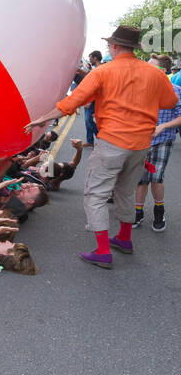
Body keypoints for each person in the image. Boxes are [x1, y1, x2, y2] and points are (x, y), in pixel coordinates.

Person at [26, 24, 180, 268]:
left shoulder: (103, 72)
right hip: (142, 143)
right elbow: (170, 101)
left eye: (110, 44)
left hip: (113, 142)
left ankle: (103, 251)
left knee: (96, 193)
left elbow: (71, 103)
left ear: (115, 46)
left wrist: (41, 119)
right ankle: (124, 239)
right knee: (126, 191)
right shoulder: (155, 73)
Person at [133, 87, 181, 231]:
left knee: (156, 177)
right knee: (141, 178)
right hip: (140, 139)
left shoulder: (174, 91)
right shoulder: (141, 87)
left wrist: (163, 126)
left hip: (163, 139)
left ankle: (159, 210)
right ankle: (138, 211)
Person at [82, 49, 103, 146]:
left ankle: (100, 137)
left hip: (93, 100)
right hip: (89, 99)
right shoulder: (95, 69)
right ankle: (90, 141)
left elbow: (97, 87)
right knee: (87, 121)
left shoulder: (100, 69)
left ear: (95, 58)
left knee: (88, 120)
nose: (89, 60)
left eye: (90, 58)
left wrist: (90, 101)